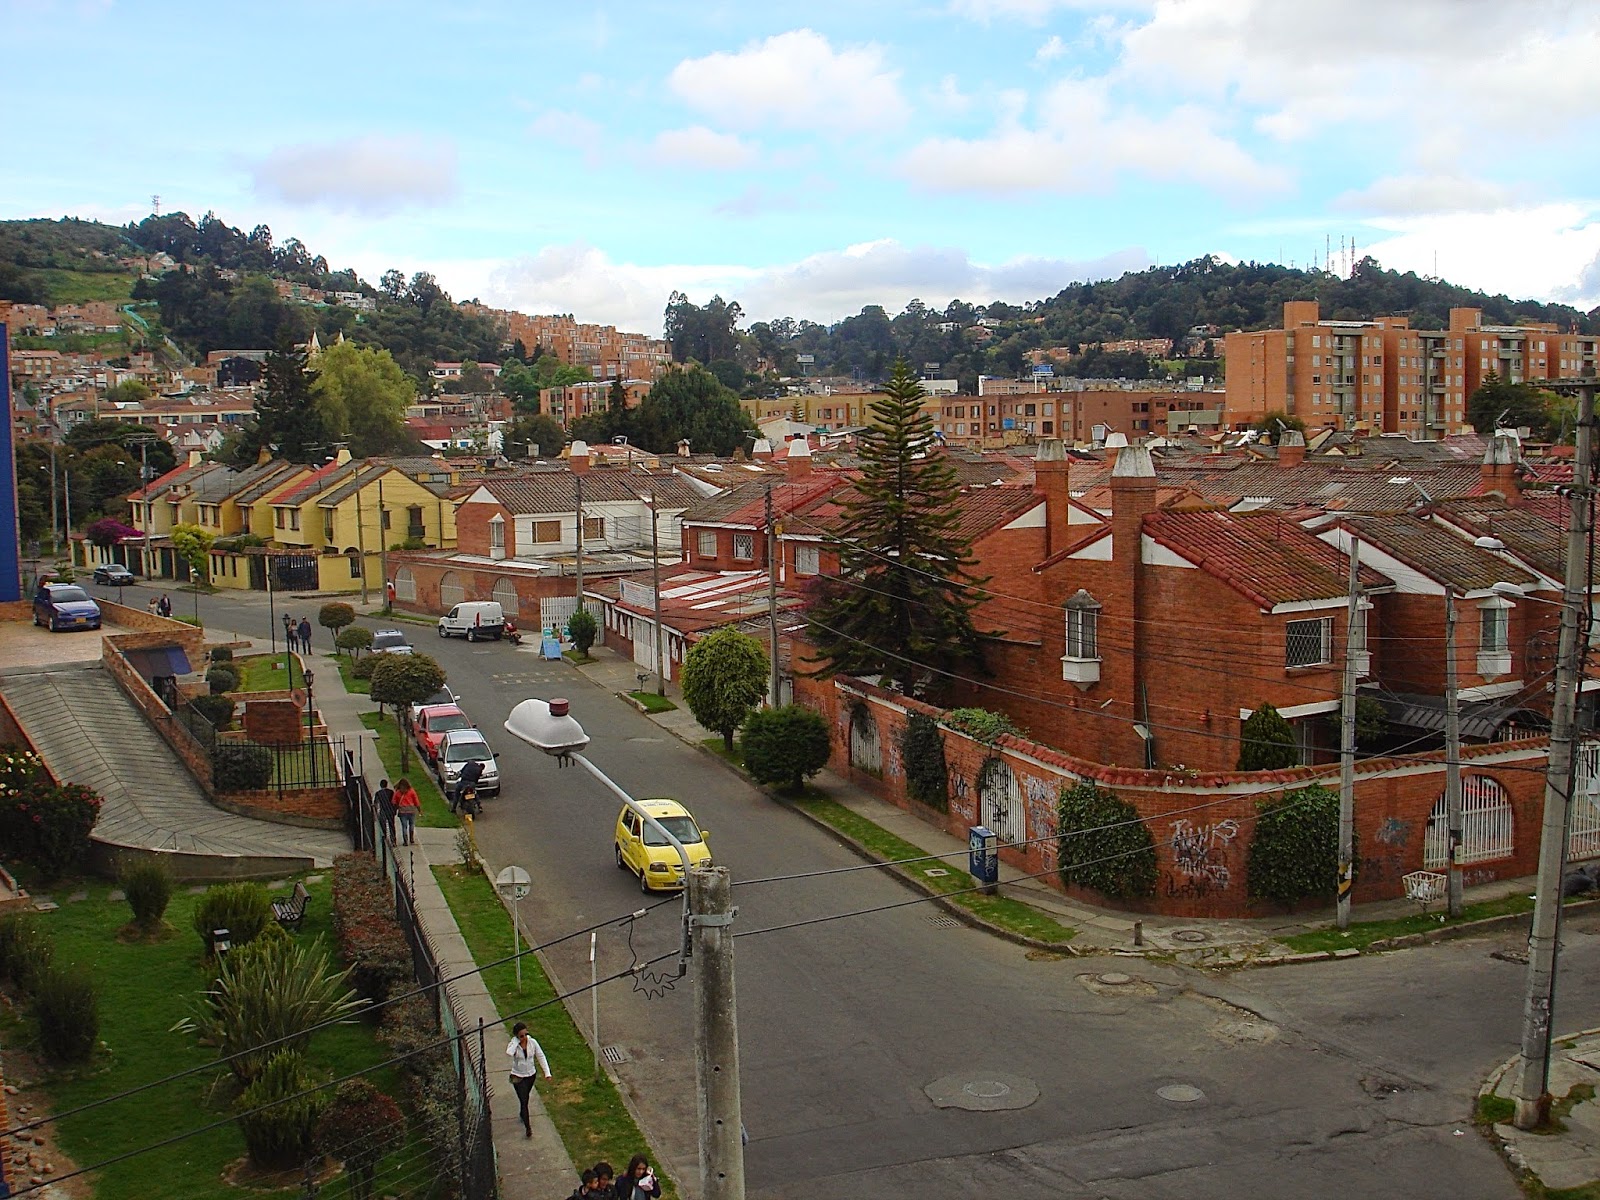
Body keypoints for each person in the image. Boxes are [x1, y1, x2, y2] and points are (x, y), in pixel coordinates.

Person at [504, 1021, 551, 1138]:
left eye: (525, 1034)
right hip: (518, 1077)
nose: (524, 1037)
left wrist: (547, 1073)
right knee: (524, 1100)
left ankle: (522, 1113)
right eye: (521, 1036)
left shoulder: (532, 1042)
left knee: (525, 1098)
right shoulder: (513, 1045)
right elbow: (509, 1053)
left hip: (530, 1075)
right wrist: (516, 1041)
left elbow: (540, 1056)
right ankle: (528, 1127)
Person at [392, 778, 420, 845]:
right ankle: (411, 839)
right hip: (411, 810)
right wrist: (419, 810)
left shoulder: (398, 792)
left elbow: (393, 802)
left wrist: (397, 807)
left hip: (402, 811)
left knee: (404, 826)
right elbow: (416, 801)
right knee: (412, 824)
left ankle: (405, 841)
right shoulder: (411, 791)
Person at [374, 777, 396, 844]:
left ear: (380, 785)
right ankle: (393, 840)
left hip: (383, 811)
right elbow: (394, 802)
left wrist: (376, 812)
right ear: (387, 785)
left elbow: (376, 802)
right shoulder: (391, 792)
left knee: (383, 826)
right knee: (391, 825)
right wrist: (394, 810)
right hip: (390, 811)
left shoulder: (378, 793)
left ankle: (384, 840)